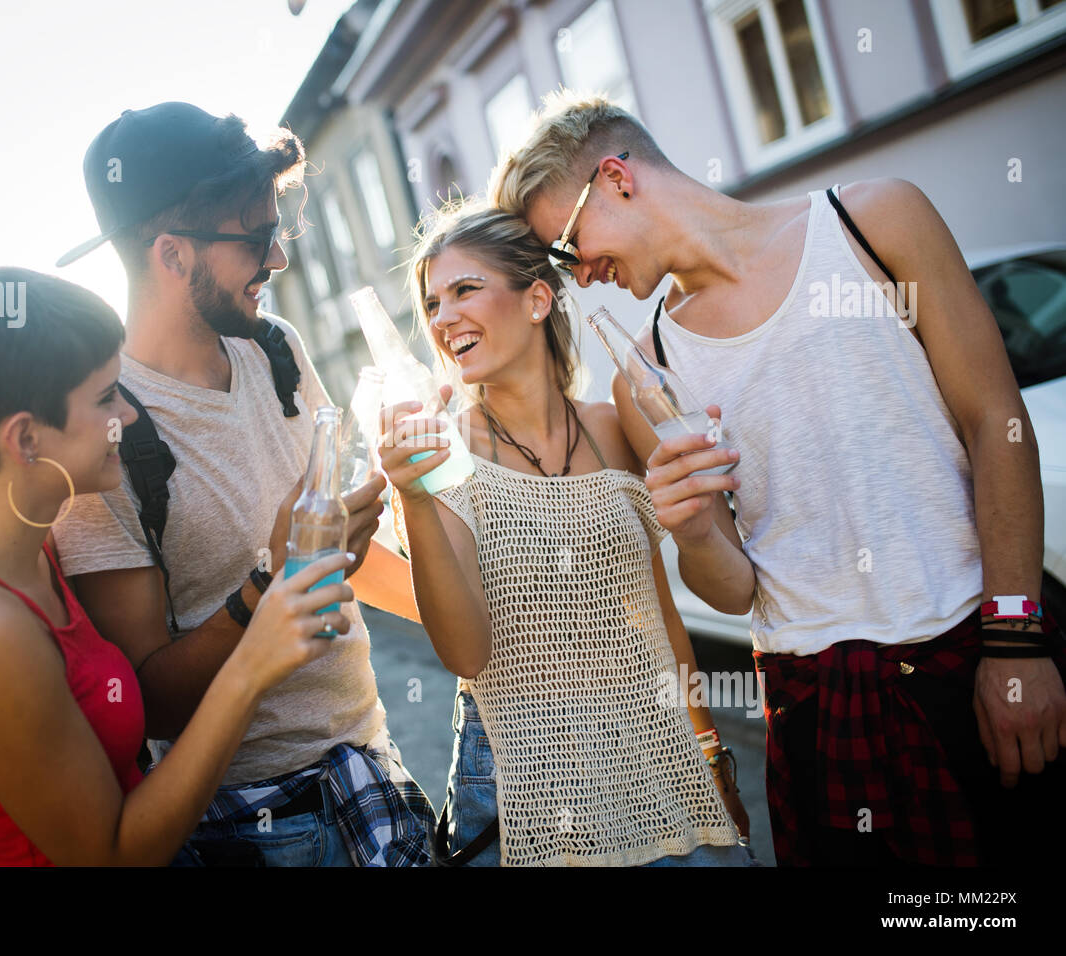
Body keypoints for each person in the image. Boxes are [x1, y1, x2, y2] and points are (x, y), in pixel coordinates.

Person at [491, 90, 1066, 866]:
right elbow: (733, 590)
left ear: (618, 178)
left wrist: (1017, 645)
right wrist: (691, 526)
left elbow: (997, 427)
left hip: (965, 660)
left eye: (568, 244)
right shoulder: (647, 373)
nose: (581, 276)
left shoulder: (874, 222)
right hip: (813, 705)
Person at [51, 102, 432, 866]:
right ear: (172, 255)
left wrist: (483, 612)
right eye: (258, 238)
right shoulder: (100, 433)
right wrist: (270, 578)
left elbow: (334, 567)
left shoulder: (276, 350)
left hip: (371, 764)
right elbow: (151, 699)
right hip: (250, 825)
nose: (279, 261)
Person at [0, 267, 355, 866]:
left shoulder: (33, 553)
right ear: (26, 439)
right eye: (106, 397)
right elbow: (111, 855)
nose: (130, 415)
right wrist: (252, 664)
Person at [379, 203, 755, 866]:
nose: (441, 319)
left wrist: (710, 751)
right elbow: (465, 654)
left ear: (537, 299)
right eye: (432, 303)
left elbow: (662, 617)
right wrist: (413, 495)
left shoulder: (615, 424)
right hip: (523, 778)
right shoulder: (445, 453)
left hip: (654, 754)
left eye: (464, 290)